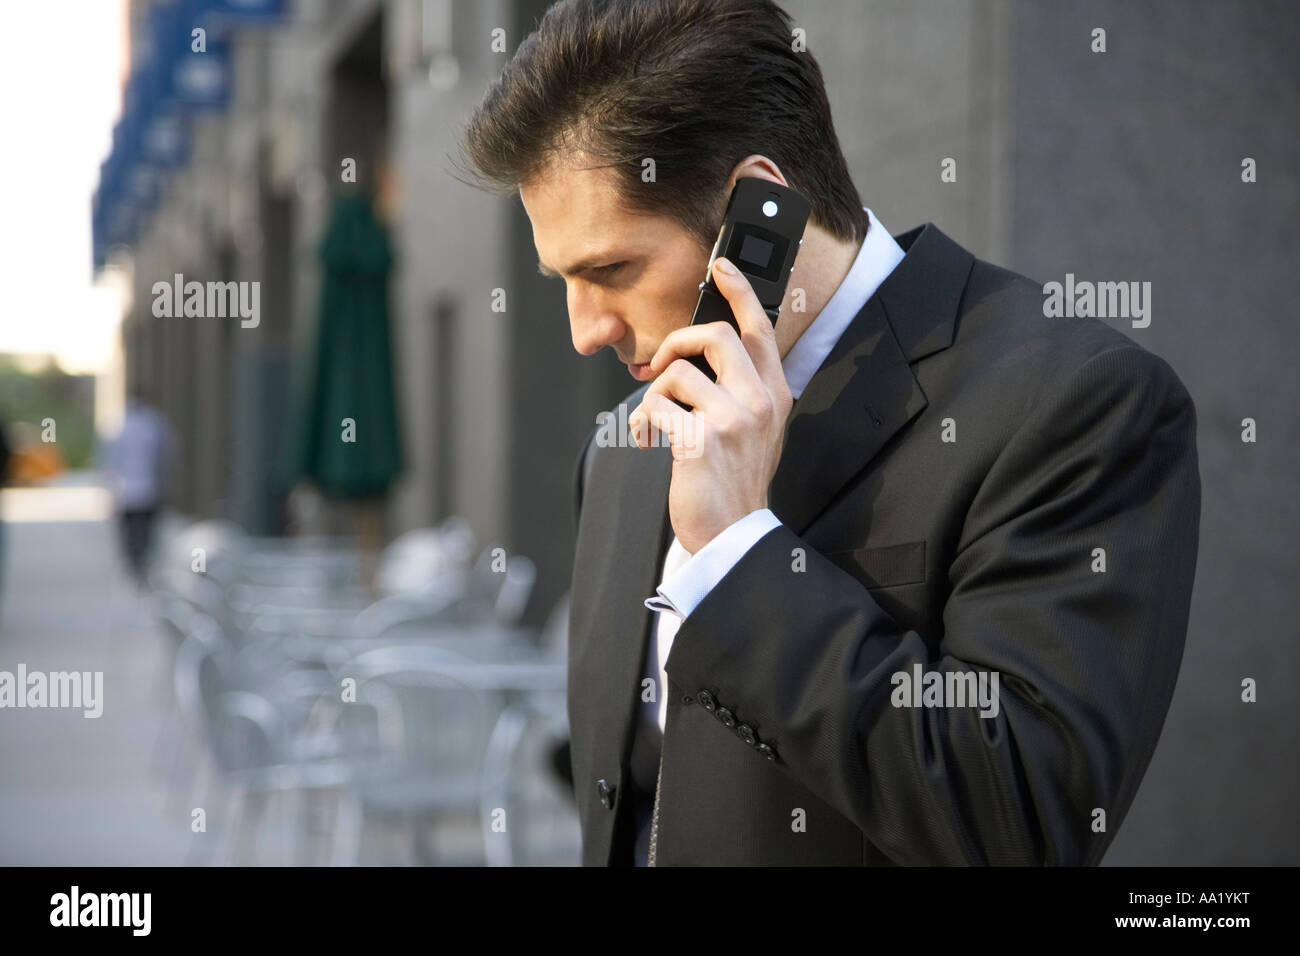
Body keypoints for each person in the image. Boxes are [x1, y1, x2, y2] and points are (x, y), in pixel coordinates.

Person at [459, 0, 1200, 866]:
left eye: (613, 269)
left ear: (758, 214)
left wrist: (740, 552)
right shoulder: (626, 443)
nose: (585, 330)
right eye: (561, 279)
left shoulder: (1077, 405)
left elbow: (1027, 820)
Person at [101, 391, 176, 587]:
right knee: (143, 530)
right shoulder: (154, 424)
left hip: (130, 488)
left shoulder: (121, 426)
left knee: (133, 531)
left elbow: (109, 460)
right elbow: (167, 455)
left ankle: (136, 563)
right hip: (143, 488)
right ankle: (140, 562)